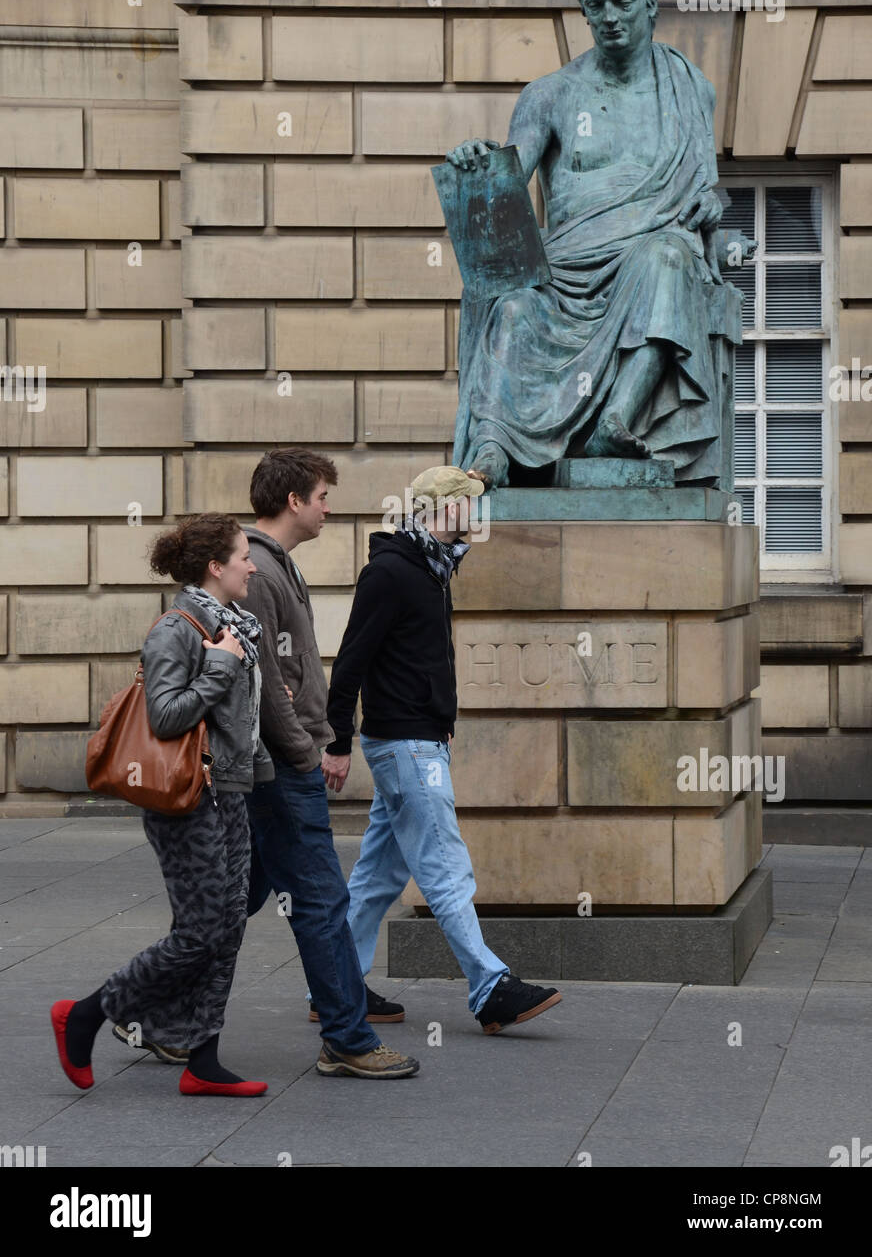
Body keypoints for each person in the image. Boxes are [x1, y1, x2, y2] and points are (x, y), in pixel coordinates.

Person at [446, 0, 727, 490]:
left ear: (652, 3)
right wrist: (476, 165)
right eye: (596, 6)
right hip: (563, 272)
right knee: (514, 309)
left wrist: (711, 207)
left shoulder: (690, 89)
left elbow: (702, 196)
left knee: (668, 257)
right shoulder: (549, 95)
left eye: (622, 3)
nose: (610, 18)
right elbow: (505, 188)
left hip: (647, 263)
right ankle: (493, 449)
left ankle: (616, 420)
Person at [322, 465, 563, 1034]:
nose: (478, 518)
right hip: (404, 745)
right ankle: (490, 987)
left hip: (418, 737)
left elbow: (420, 658)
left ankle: (334, 986)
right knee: (447, 867)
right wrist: (335, 741)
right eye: (470, 506)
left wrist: (440, 716)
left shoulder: (432, 567)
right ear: (447, 510)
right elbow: (350, 661)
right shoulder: (390, 573)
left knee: (378, 876)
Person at [50, 514, 272, 1097]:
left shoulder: (233, 627)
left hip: (229, 793)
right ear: (215, 567)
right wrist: (222, 666)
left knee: (226, 931)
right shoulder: (176, 630)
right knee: (198, 934)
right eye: (243, 555)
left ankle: (203, 1058)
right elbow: (168, 715)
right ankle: (89, 1014)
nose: (252, 565)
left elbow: (237, 726)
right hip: (185, 801)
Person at [243, 447, 419, 1080]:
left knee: (236, 900)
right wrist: (305, 750)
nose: (327, 507)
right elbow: (263, 682)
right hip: (281, 768)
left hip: (279, 762)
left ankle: (162, 1017)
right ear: (293, 501)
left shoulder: (272, 564)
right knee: (320, 900)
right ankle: (346, 1035)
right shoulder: (259, 571)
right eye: (321, 496)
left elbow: (281, 672)